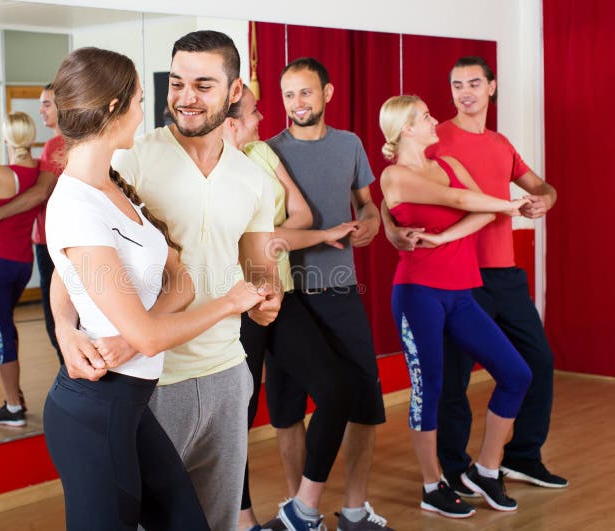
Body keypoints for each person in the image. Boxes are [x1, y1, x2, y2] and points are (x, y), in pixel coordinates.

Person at [50, 31, 282, 530]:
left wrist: (268, 297)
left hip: (226, 373)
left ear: (234, 91)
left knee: (212, 521)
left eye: (203, 85)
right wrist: (65, 328)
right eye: (176, 83)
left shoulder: (255, 180)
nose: (185, 97)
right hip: (150, 380)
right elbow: (71, 264)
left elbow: (261, 270)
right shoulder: (125, 156)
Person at [382, 56, 565, 494]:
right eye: (457, 85)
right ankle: (451, 469)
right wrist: (392, 231)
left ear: (491, 87)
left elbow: (538, 188)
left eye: (474, 83)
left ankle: (520, 458)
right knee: (452, 380)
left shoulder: (500, 144)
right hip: (457, 275)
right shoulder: (436, 136)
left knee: (536, 363)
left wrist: (545, 199)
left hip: (504, 273)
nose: (465, 92)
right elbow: (399, 193)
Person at [223, 88, 360, 531]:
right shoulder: (208, 172)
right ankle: (243, 520)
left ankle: (303, 509)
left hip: (282, 293)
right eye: (253, 112)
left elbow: (300, 215)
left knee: (337, 391)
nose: (263, 117)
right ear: (230, 122)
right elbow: (258, 239)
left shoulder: (262, 153)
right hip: (236, 306)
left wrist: (278, 236)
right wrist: (293, 237)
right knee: (238, 418)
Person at [266, 57, 390, 531]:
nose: (297, 103)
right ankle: (303, 511)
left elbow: (368, 205)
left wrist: (371, 224)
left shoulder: (350, 144)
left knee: (364, 402)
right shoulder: (268, 153)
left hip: (340, 291)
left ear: (327, 93)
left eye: (306, 92)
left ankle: (355, 512)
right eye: (289, 94)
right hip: (287, 297)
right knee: (287, 410)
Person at [0, 85, 64, 365]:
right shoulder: (42, 162)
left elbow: (39, 193)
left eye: (47, 104)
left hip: (45, 247)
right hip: (35, 254)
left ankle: (71, 383)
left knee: (56, 326)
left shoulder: (54, 147)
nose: (41, 110)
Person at [0, 112, 41, 427]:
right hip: (23, 263)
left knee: (1, 330)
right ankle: (15, 395)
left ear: (6, 138)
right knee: (6, 326)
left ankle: (13, 407)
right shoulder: (39, 173)